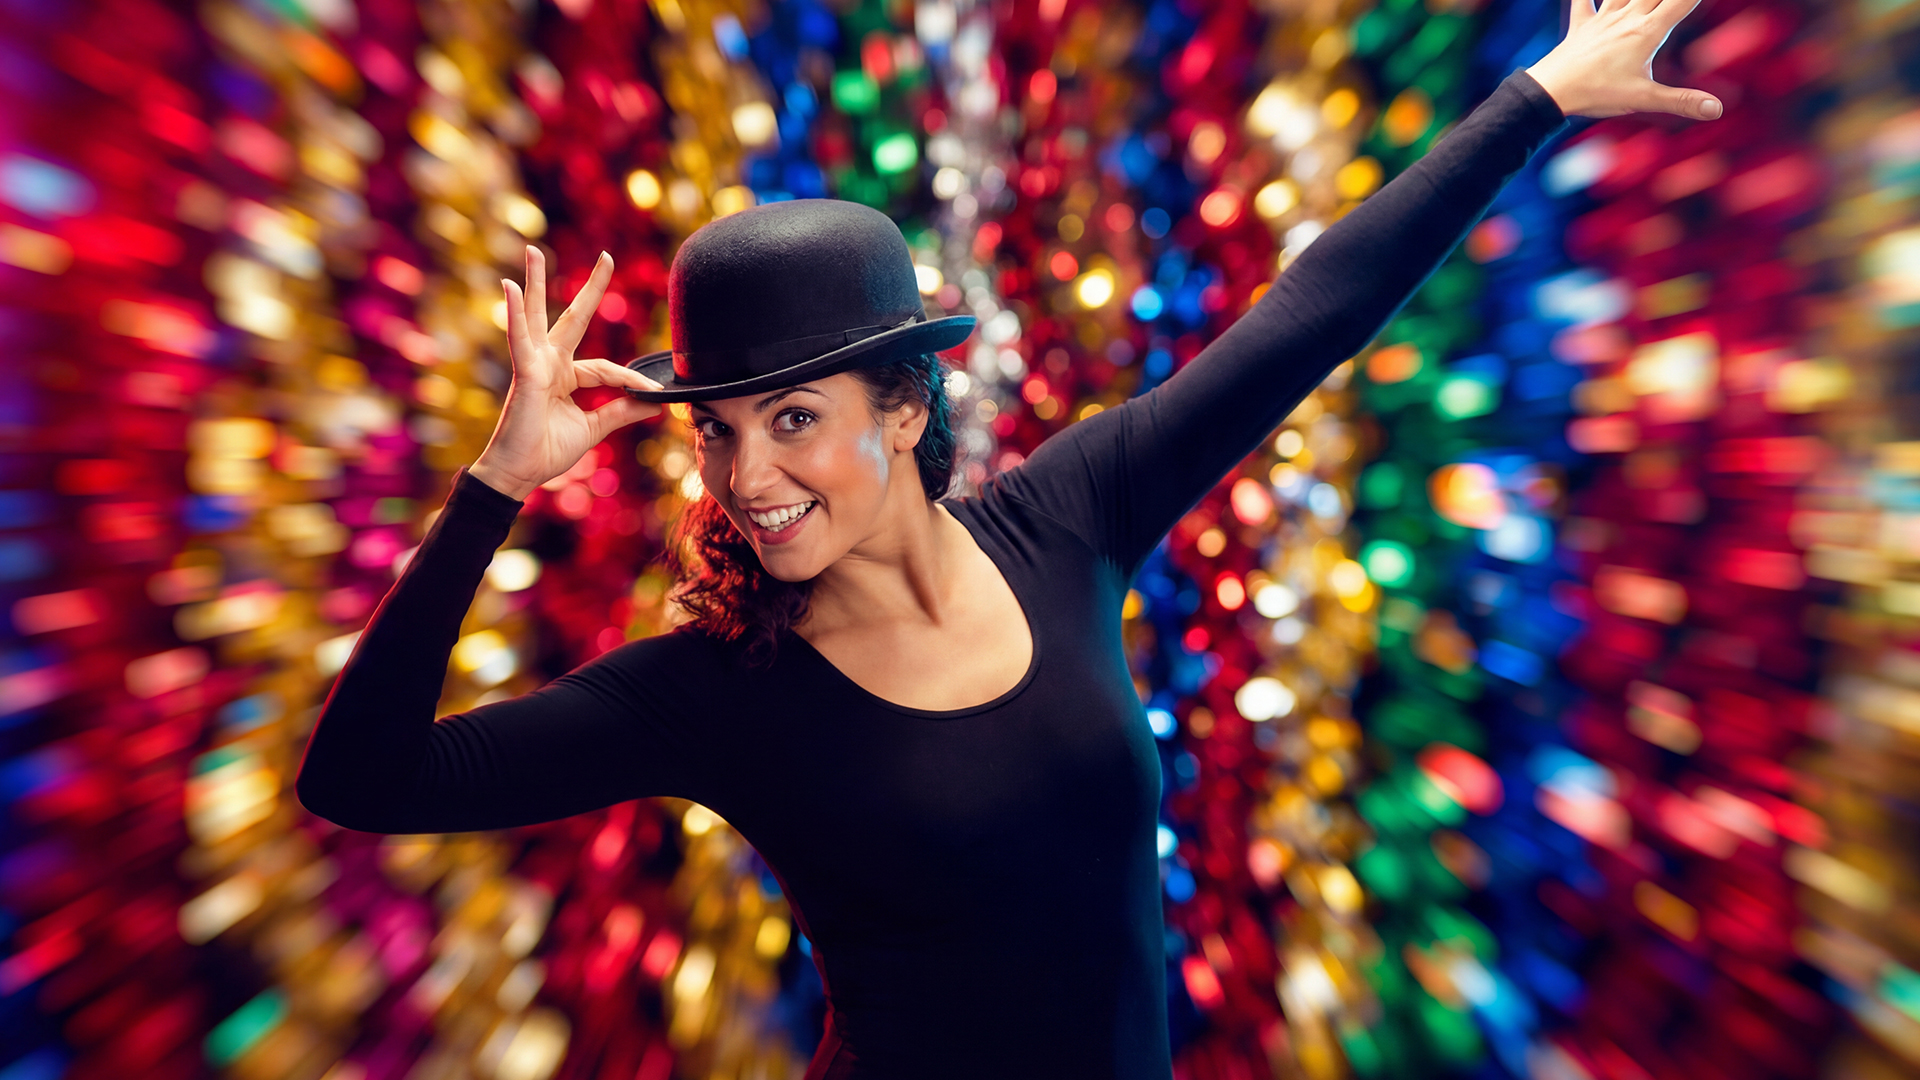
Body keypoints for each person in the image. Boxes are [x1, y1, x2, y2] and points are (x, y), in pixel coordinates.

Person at [295, 0, 1721, 1073]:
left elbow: (1309, 317)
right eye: (717, 429)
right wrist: (494, 485)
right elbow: (366, 781)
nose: (745, 474)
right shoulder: (714, 689)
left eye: (793, 420)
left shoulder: (1069, 517)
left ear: (906, 408)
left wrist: (1537, 96)